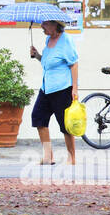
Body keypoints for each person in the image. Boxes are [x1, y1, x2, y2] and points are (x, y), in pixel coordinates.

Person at [29, 19, 79, 165]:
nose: (42, 27)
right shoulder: (48, 40)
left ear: (55, 24)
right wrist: (37, 55)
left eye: (45, 24)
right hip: (47, 87)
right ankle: (48, 156)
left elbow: (74, 64)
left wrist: (74, 88)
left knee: (65, 125)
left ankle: (72, 158)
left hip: (62, 89)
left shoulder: (66, 40)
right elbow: (47, 62)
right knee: (38, 117)